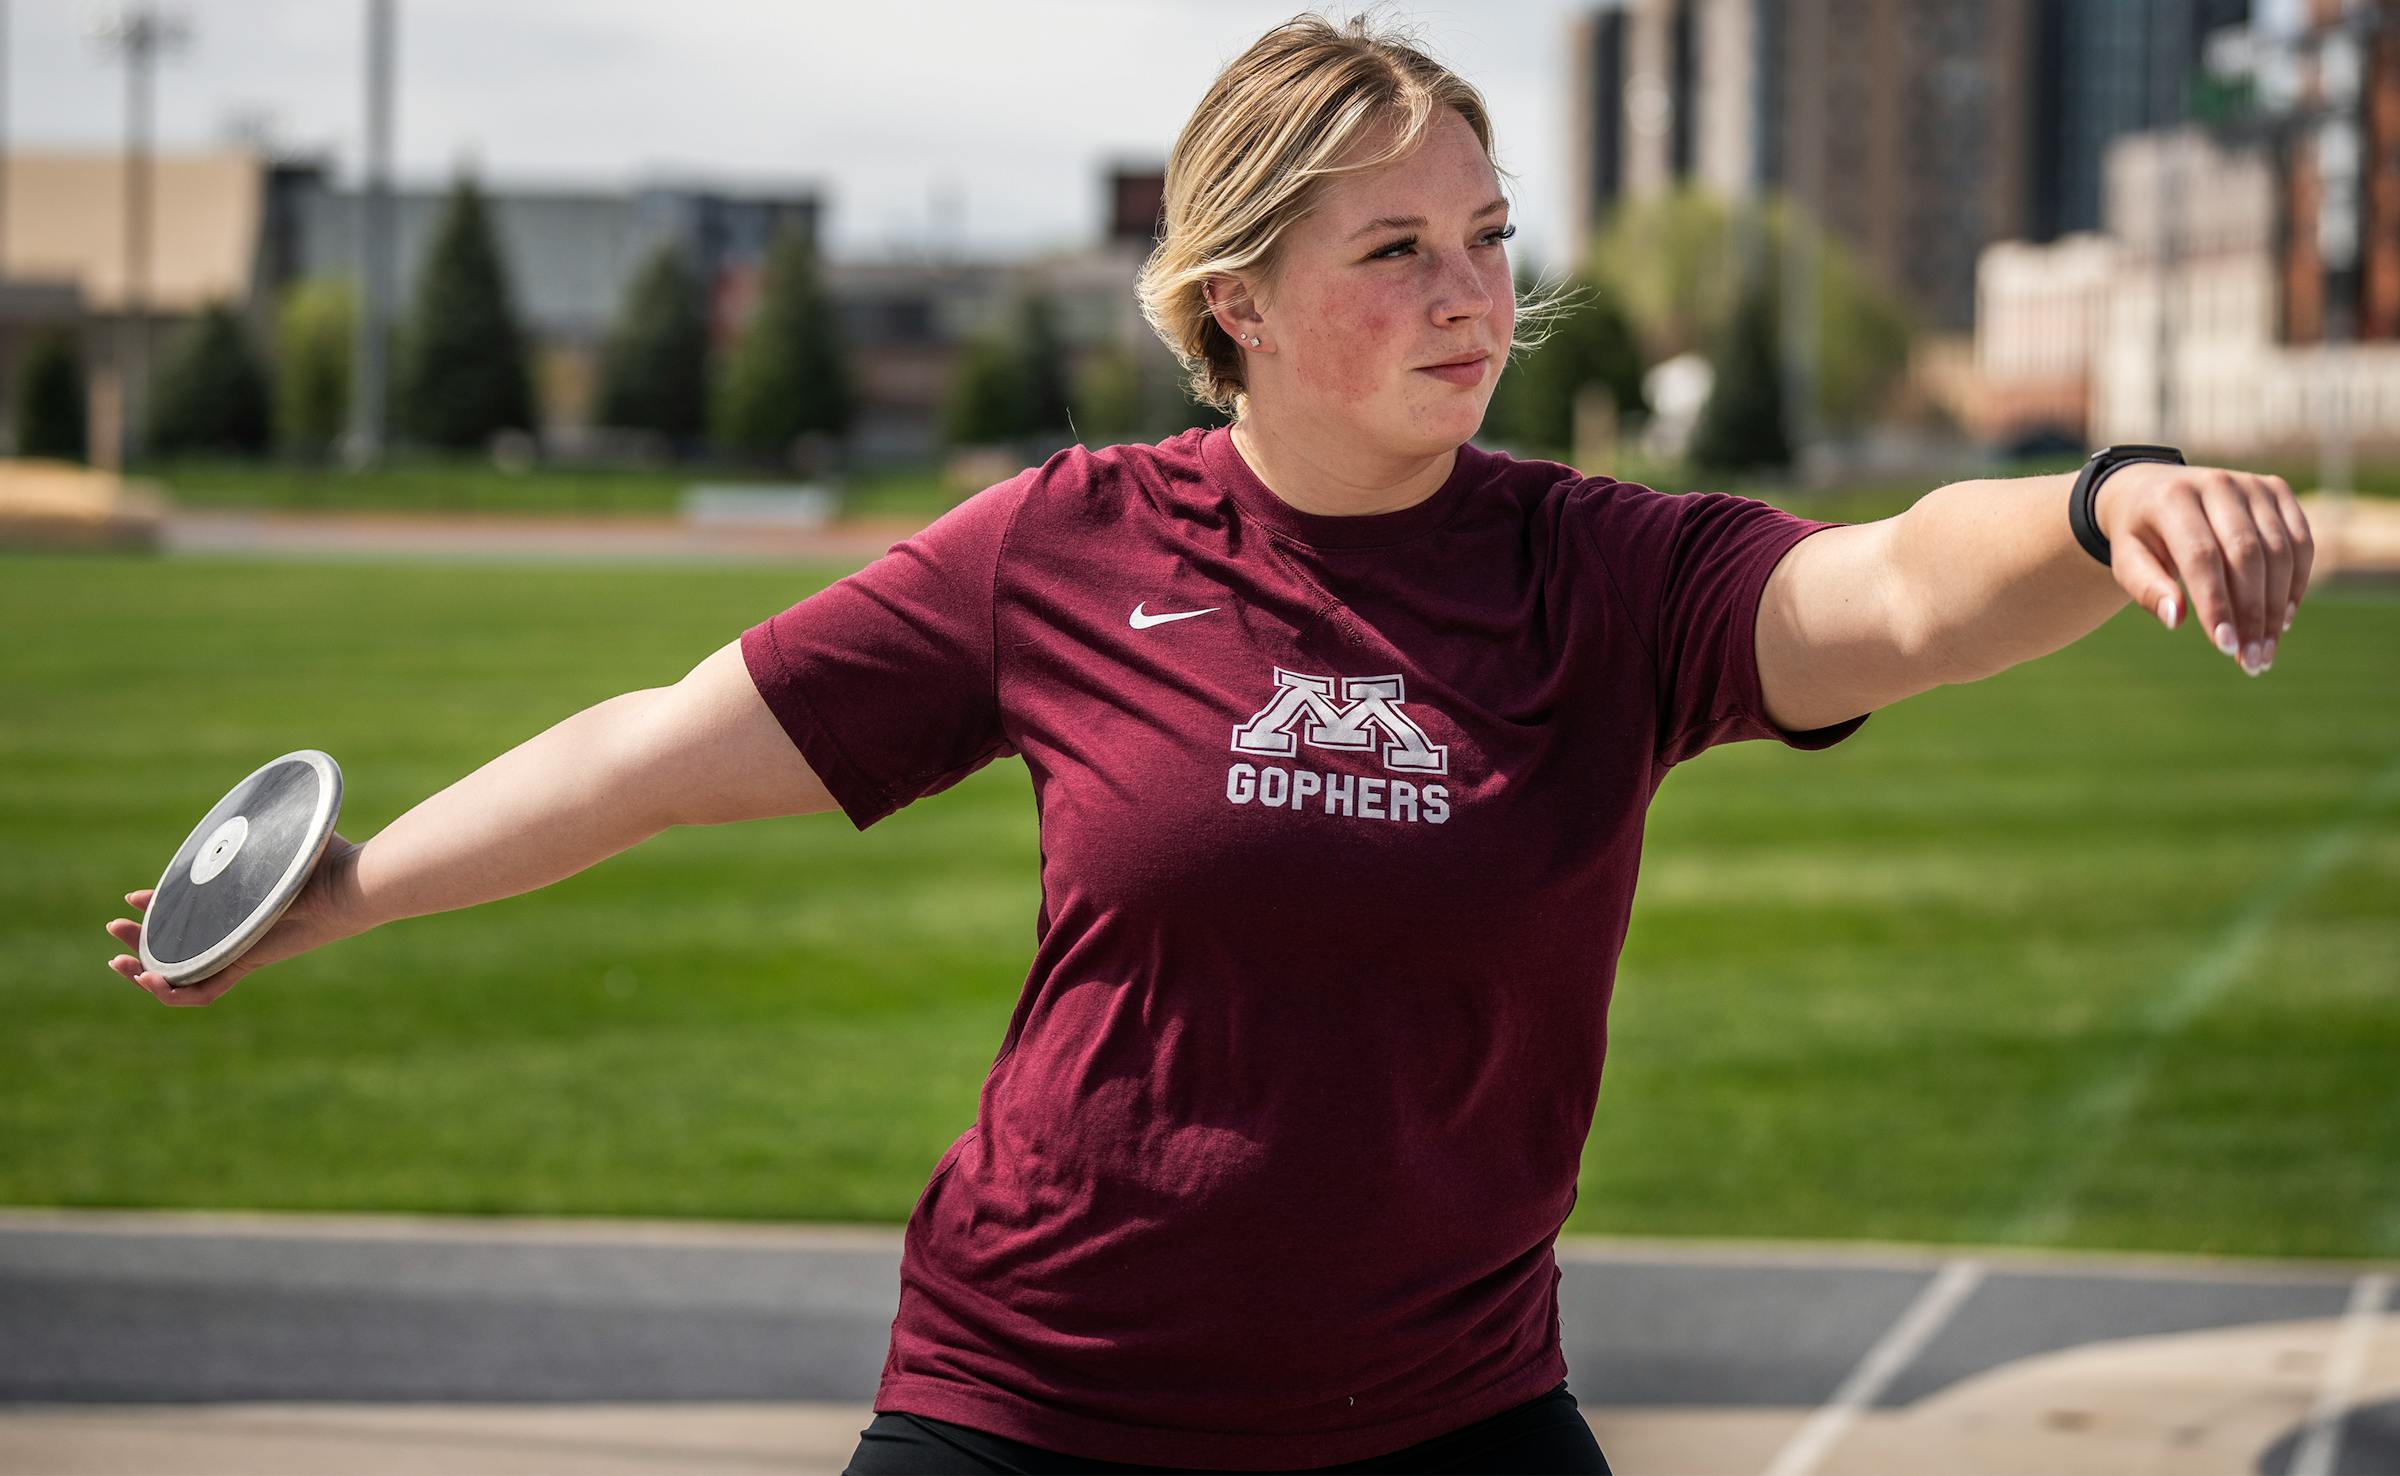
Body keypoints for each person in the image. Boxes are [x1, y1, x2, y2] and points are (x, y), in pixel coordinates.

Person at [104, 8, 2314, 1474]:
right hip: (1033, 1399)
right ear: (1234, 296)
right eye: (1395, 252)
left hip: (1446, 1416)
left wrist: (2103, 492)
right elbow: (672, 745)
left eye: (1486, 240)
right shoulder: (1059, 547)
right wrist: (350, 886)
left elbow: (1907, 589)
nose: (1470, 297)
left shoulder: (1602, 578)